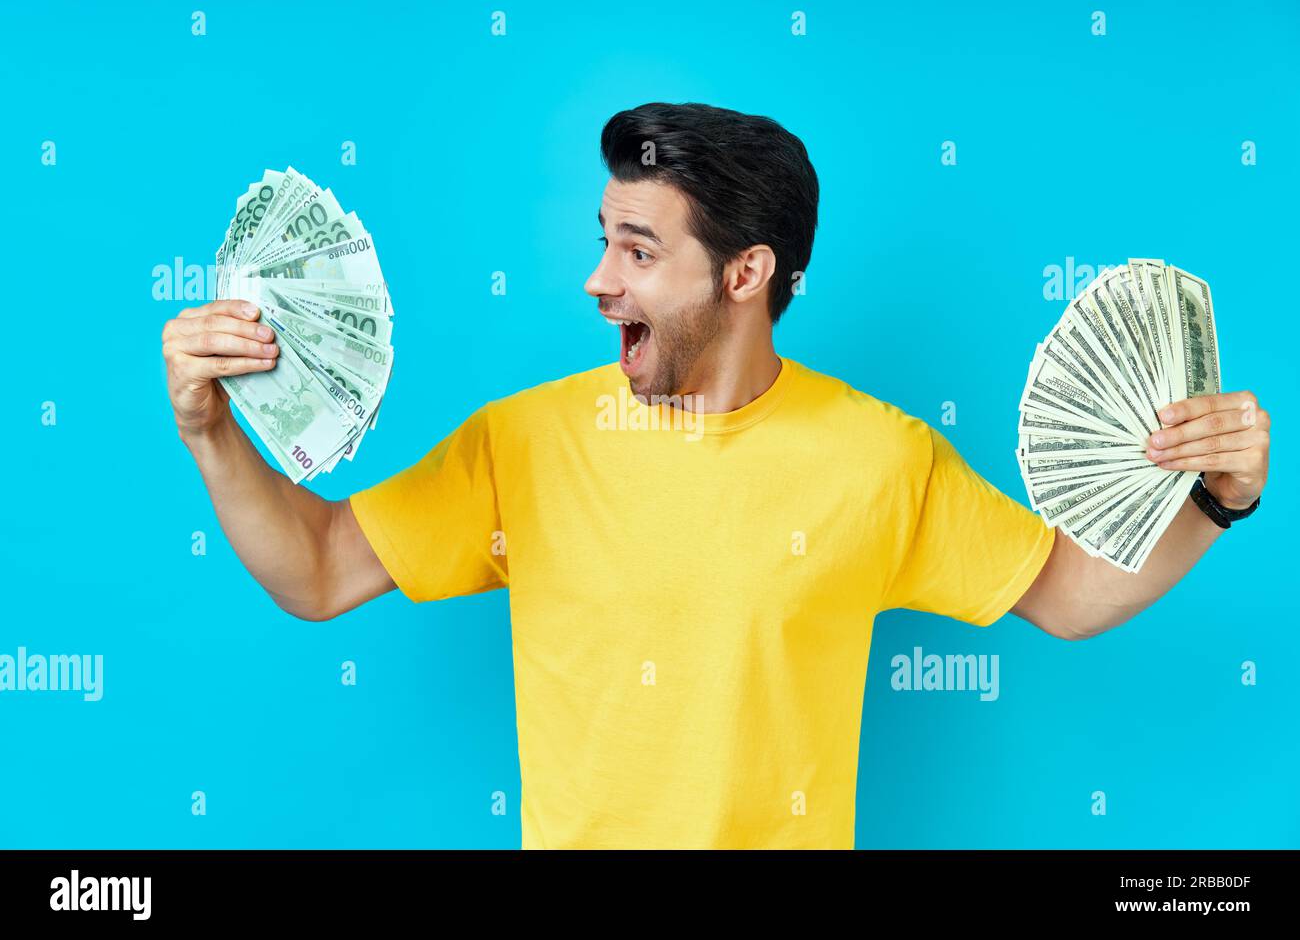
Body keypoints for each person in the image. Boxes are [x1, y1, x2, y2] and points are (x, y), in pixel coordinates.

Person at [160, 102, 1271, 849]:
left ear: (746, 272)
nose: (598, 281)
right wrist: (210, 430)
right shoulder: (523, 443)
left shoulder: (880, 455)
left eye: (638, 251)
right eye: (601, 239)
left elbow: (1071, 596)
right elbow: (312, 571)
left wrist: (1218, 499)